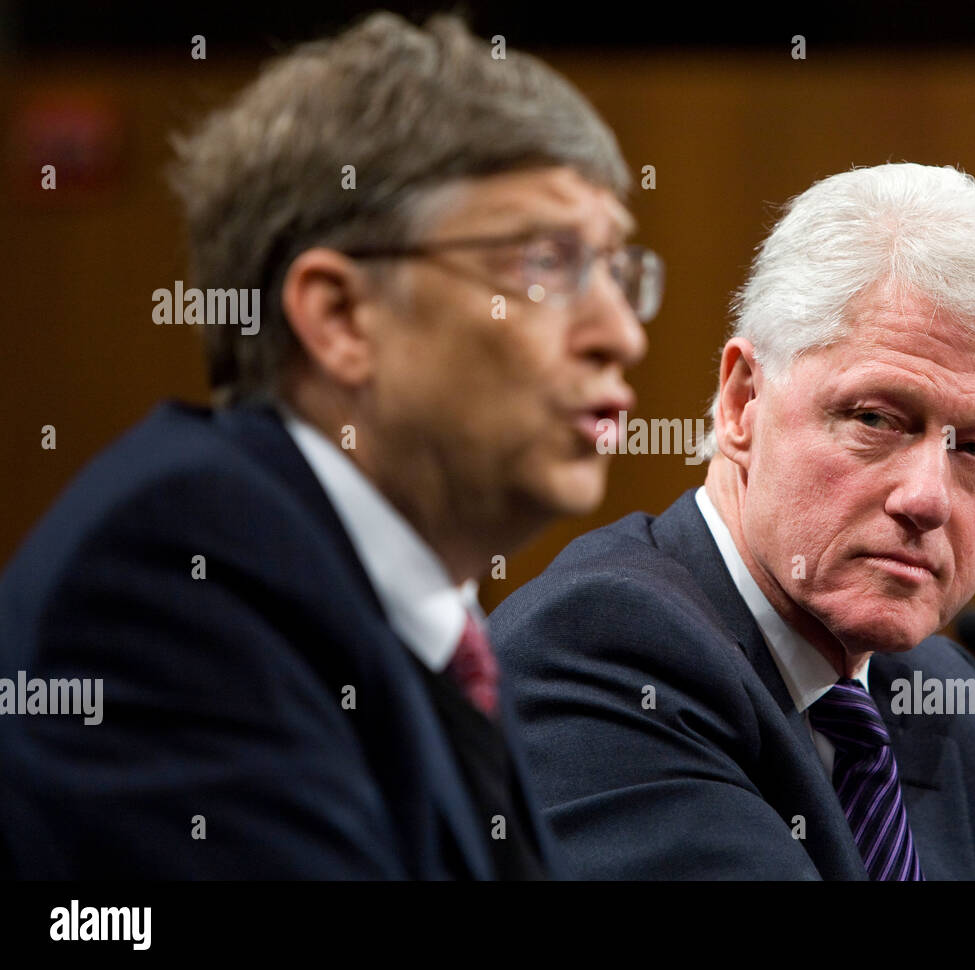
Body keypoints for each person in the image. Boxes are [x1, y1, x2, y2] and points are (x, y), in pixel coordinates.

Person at [0, 12, 657, 879]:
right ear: (341, 317)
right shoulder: (177, 573)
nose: (621, 334)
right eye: (543, 262)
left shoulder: (416, 613)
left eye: (618, 271)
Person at [491, 162, 975, 879]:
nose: (926, 498)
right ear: (742, 402)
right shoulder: (605, 649)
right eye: (876, 419)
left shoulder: (942, 694)